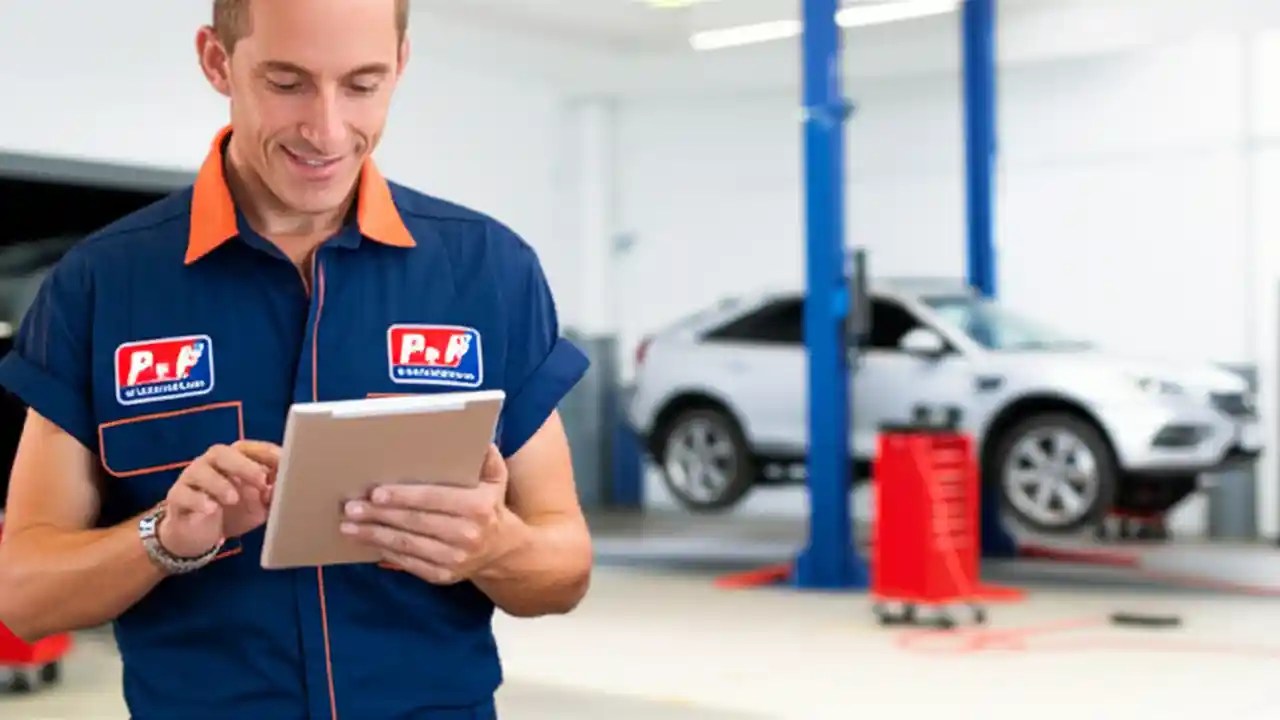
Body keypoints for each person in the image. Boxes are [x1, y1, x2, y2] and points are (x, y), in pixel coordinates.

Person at [0, 0, 593, 717]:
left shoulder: (487, 272)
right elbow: (24, 594)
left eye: (363, 85)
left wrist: (493, 548)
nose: (327, 129)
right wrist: (164, 539)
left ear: (400, 64)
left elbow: (565, 567)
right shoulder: (101, 287)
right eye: (287, 83)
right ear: (217, 61)